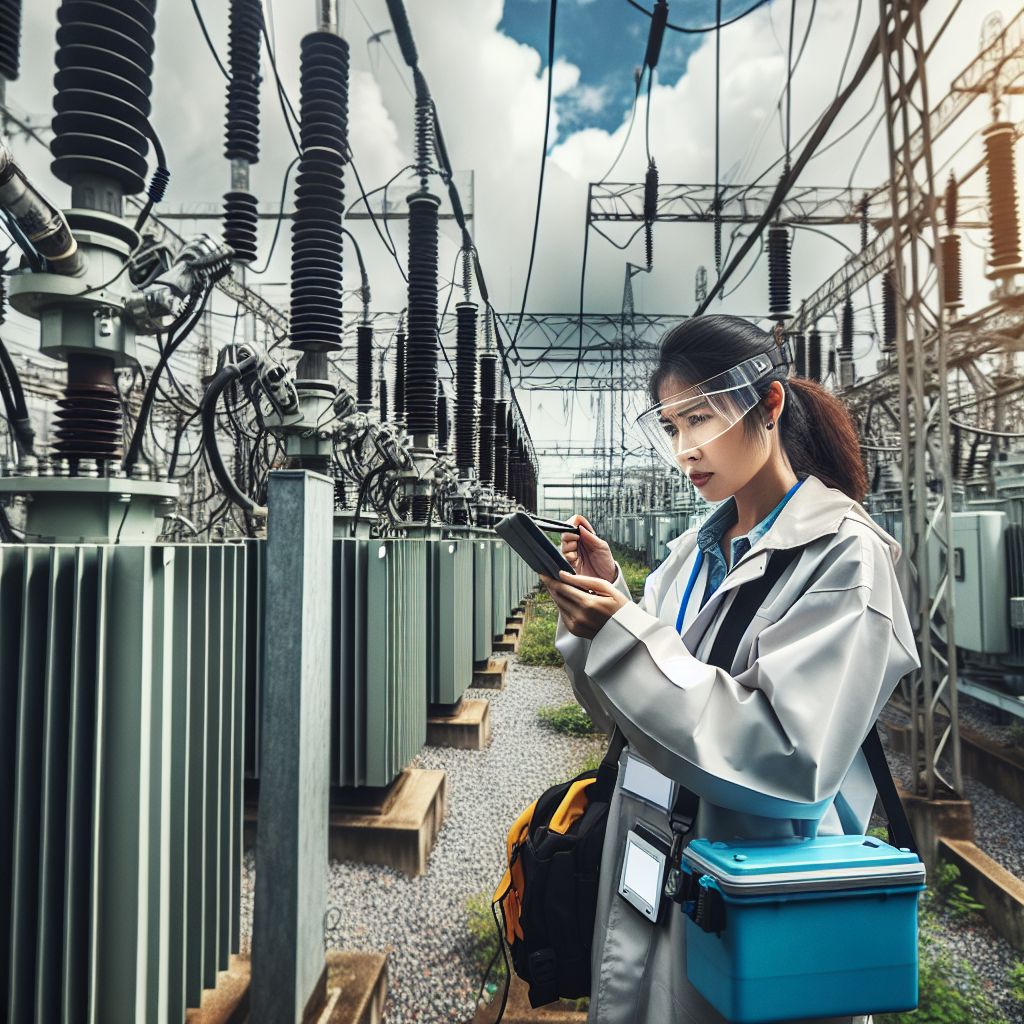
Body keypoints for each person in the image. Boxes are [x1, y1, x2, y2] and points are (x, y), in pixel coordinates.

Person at [540, 315, 919, 1024]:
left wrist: (622, 637)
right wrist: (606, 611)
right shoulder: (689, 557)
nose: (686, 450)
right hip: (654, 860)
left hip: (761, 889)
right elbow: (629, 722)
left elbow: (787, 755)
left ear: (768, 405)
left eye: (701, 419)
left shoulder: (843, 559)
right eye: (673, 427)